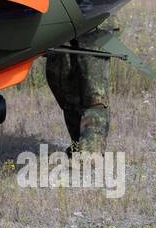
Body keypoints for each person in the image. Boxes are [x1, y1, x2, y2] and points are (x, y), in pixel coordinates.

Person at [45, 16, 119, 154]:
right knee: (63, 85)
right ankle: (78, 143)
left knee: (94, 94)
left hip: (94, 20)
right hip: (60, 23)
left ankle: (91, 151)